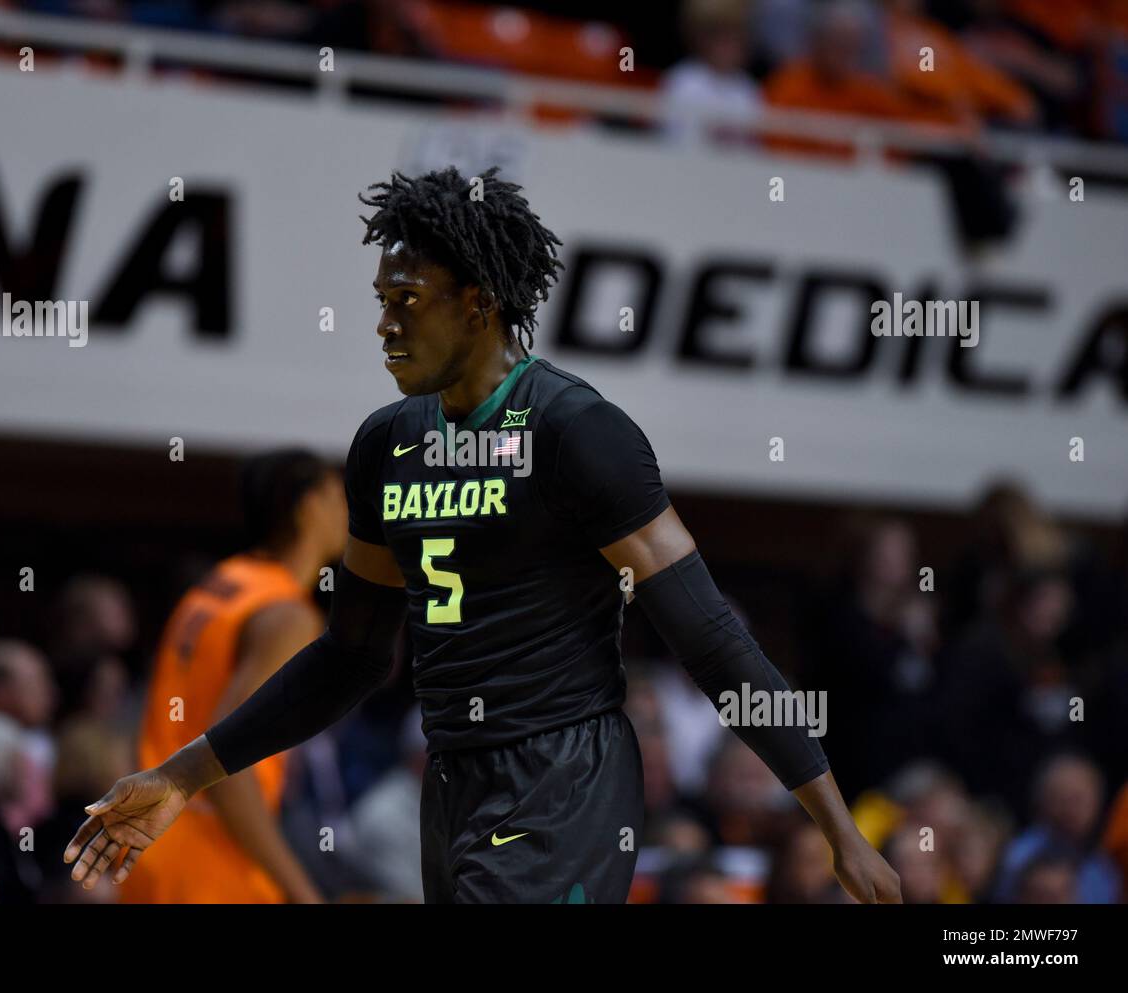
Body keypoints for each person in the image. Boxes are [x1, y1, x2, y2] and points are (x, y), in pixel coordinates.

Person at [65, 166, 900, 904]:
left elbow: (710, 638)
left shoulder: (580, 432)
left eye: (408, 302)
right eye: (381, 303)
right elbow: (352, 658)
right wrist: (180, 777)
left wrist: (835, 823)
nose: (386, 325)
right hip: (452, 775)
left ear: (478, 302)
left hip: (564, 777)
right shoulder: (385, 445)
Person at [119, 450, 345, 904]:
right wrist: (302, 892)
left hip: (153, 849)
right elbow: (226, 766)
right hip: (212, 861)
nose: (351, 512)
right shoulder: (287, 616)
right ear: (309, 506)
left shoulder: (214, 588)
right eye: (340, 497)